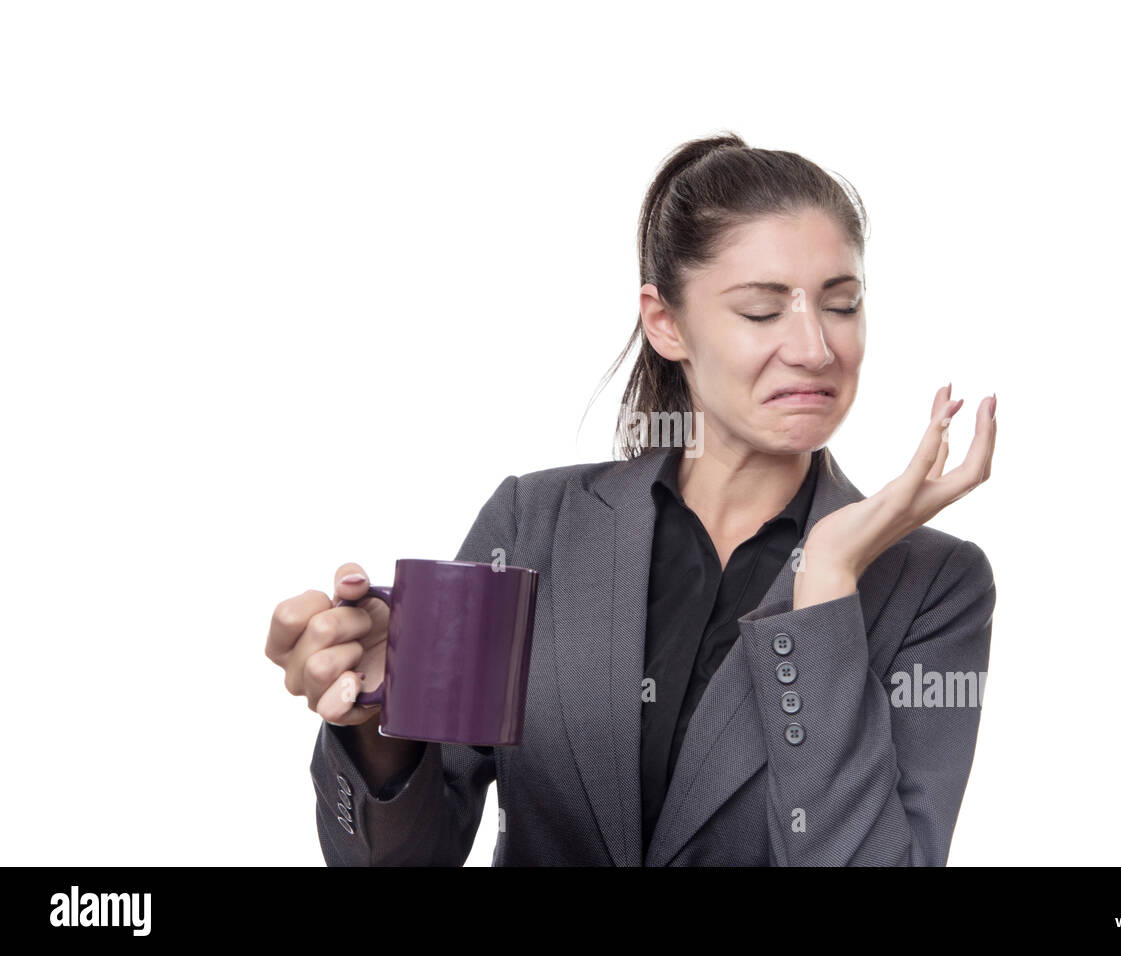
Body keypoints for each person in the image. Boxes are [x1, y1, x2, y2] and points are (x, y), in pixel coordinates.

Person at [265, 132, 998, 866]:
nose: (814, 348)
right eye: (761, 311)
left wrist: (829, 589)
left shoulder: (934, 585)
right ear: (666, 323)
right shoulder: (535, 526)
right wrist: (378, 725)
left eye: (841, 304)